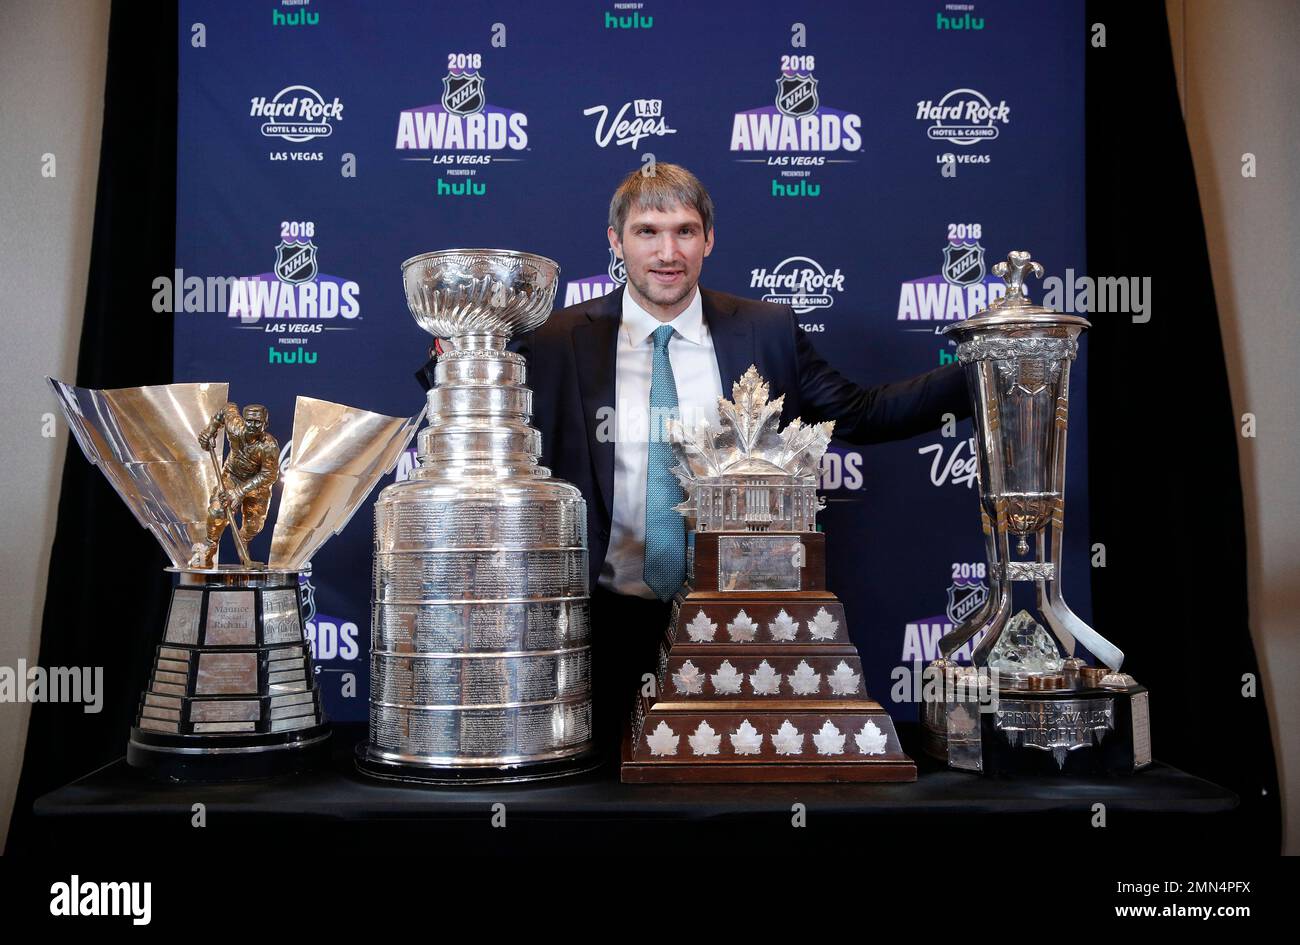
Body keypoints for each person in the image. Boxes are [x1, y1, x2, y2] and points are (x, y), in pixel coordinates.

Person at [419, 163, 970, 752]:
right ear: (616, 241)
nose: (667, 251)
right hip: (595, 622)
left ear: (708, 239)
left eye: (684, 231)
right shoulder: (557, 338)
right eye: (647, 231)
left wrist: (983, 374)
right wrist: (456, 348)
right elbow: (468, 398)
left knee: (722, 791)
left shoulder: (764, 330)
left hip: (731, 621)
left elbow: (859, 413)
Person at [189, 403, 279, 569]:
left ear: (265, 424)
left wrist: (239, 493)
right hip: (232, 476)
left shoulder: (269, 446)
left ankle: (242, 541)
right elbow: (226, 409)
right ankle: (209, 548)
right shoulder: (235, 427)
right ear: (243, 420)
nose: (253, 425)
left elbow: (269, 475)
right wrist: (210, 430)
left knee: (254, 525)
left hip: (257, 485)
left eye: (258, 422)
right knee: (217, 510)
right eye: (249, 421)